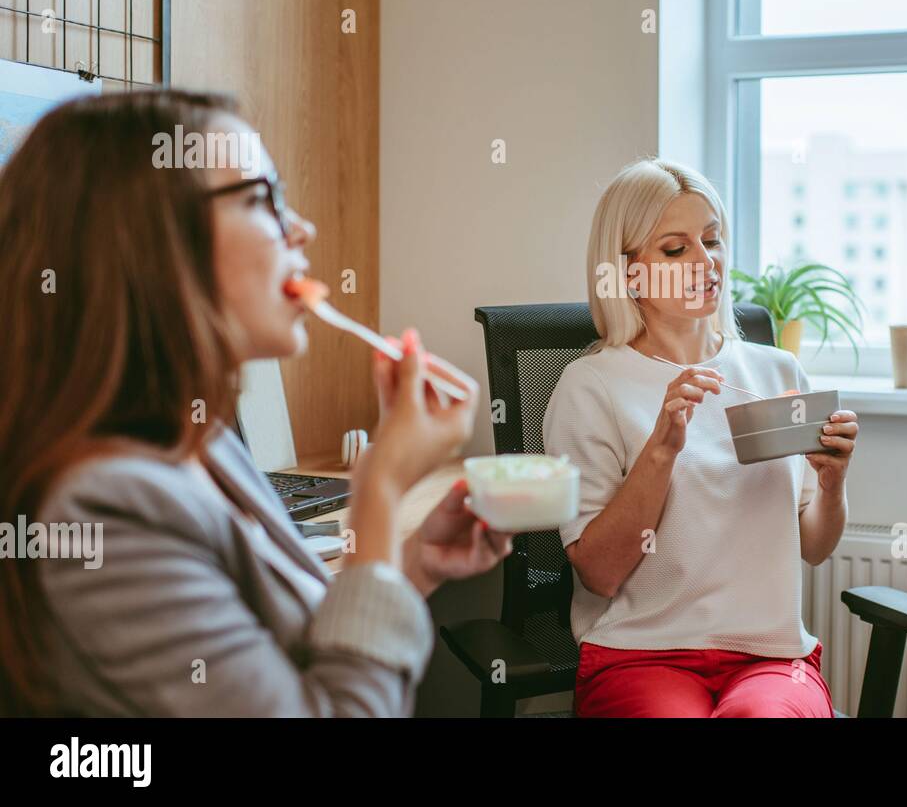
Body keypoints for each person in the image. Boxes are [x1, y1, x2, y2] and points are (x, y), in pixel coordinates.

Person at [0, 89, 511, 716]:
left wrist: (409, 565)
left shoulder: (204, 441)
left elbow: (280, 650)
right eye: (262, 199)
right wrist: (378, 494)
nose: (303, 229)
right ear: (151, 241)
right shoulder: (102, 512)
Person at [543, 159, 858, 717]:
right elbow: (600, 571)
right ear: (628, 272)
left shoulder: (778, 373)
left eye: (711, 241)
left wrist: (832, 485)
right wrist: (661, 450)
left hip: (769, 657)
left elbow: (814, 546)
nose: (704, 262)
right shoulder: (590, 386)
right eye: (674, 249)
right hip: (640, 654)